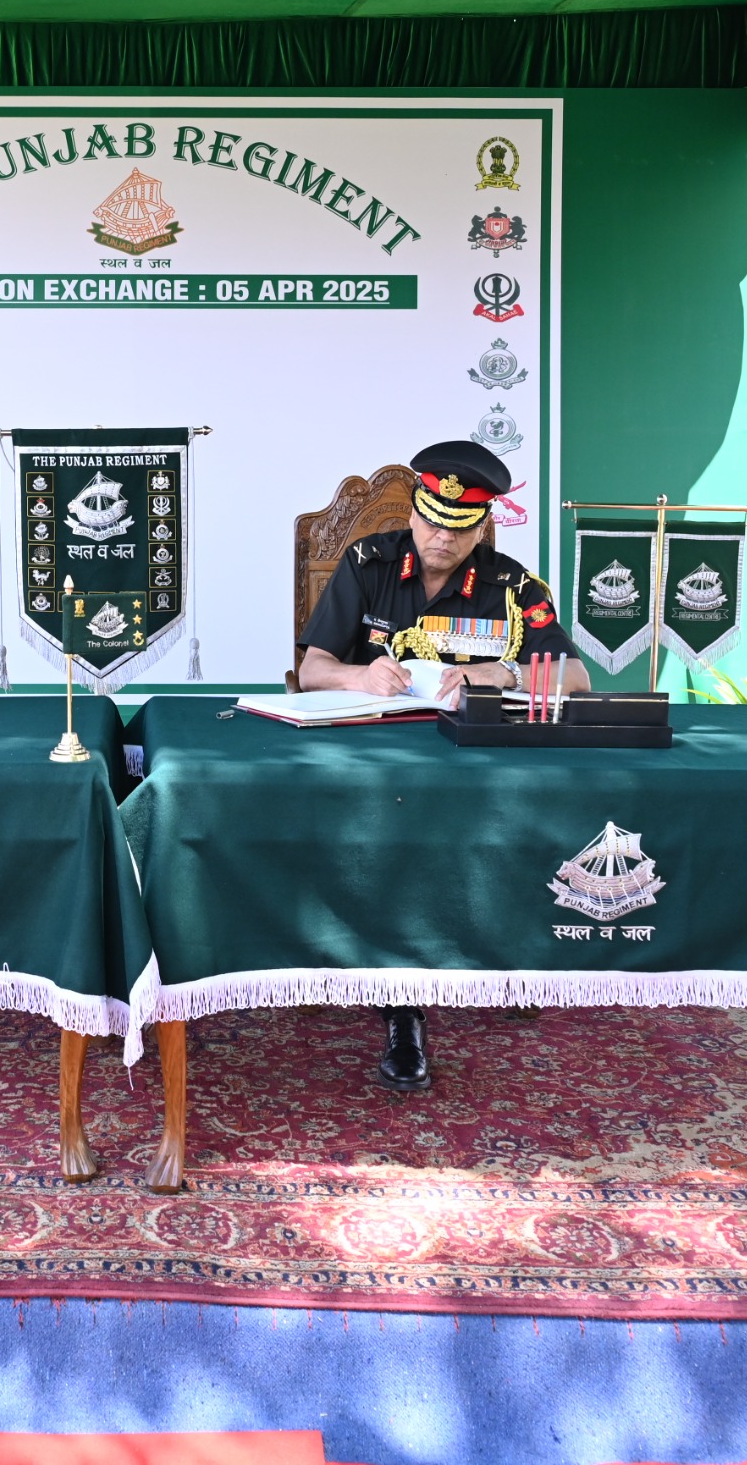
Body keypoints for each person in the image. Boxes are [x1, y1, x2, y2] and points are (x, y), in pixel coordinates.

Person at [295, 439, 587, 1090]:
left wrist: (503, 668)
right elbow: (311, 670)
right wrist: (358, 675)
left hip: (471, 758)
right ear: (415, 510)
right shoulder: (367, 563)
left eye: (457, 527)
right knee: (397, 838)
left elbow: (577, 674)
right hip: (380, 756)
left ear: (482, 524)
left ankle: (492, 950)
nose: (439, 537)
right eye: (429, 520)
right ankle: (404, 1007)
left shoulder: (513, 585)